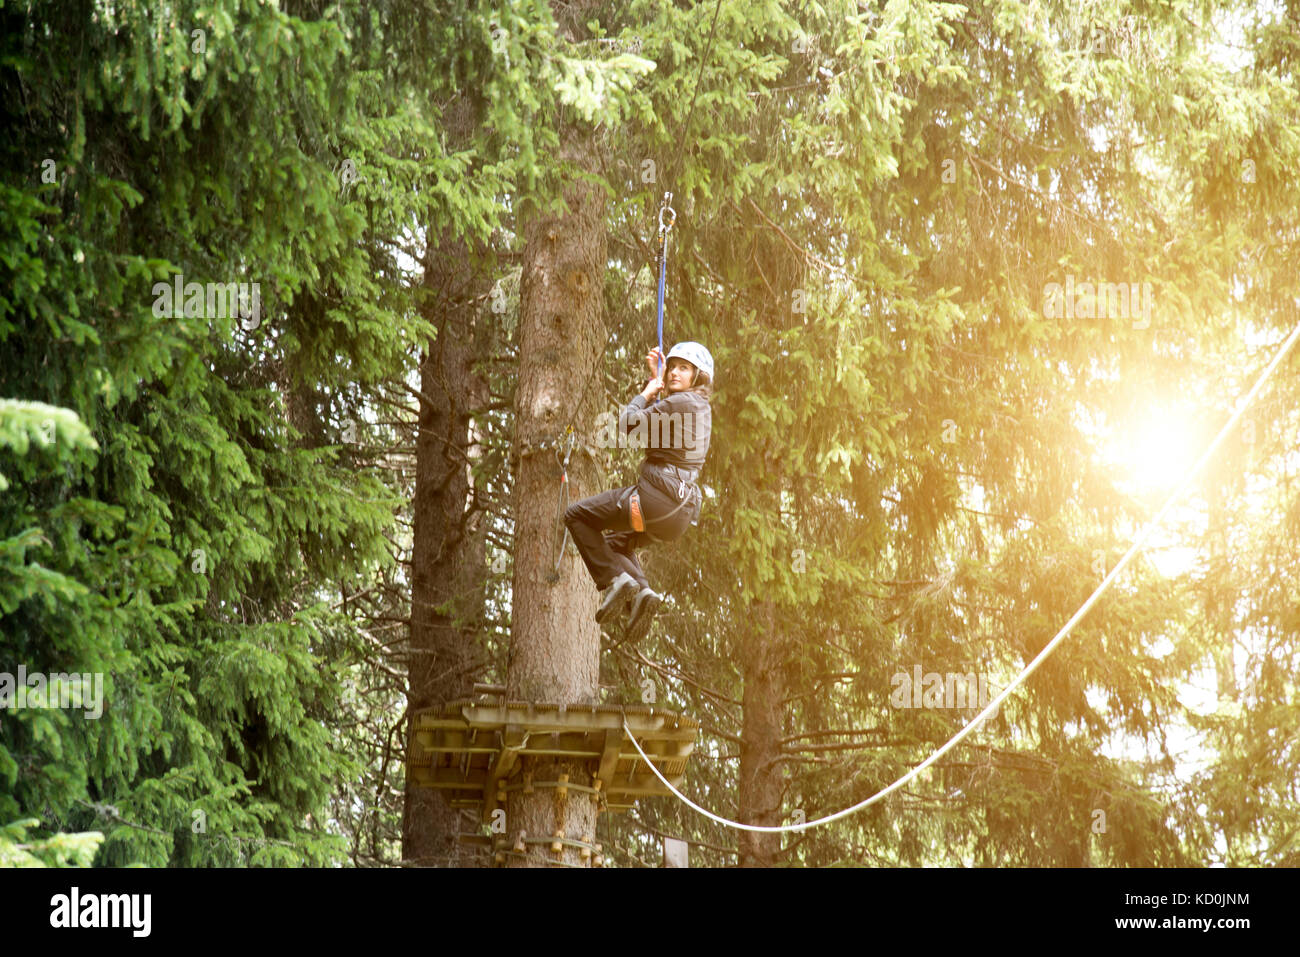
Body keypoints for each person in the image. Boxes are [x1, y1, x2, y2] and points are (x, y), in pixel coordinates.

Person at [564, 341, 714, 643]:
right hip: (678, 515)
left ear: (698, 376)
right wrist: (661, 382)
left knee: (577, 516)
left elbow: (627, 424)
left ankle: (614, 580)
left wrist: (647, 391)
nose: (674, 372)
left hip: (656, 500)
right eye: (672, 367)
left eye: (683, 368)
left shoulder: (680, 403)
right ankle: (642, 592)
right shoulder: (698, 409)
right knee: (618, 545)